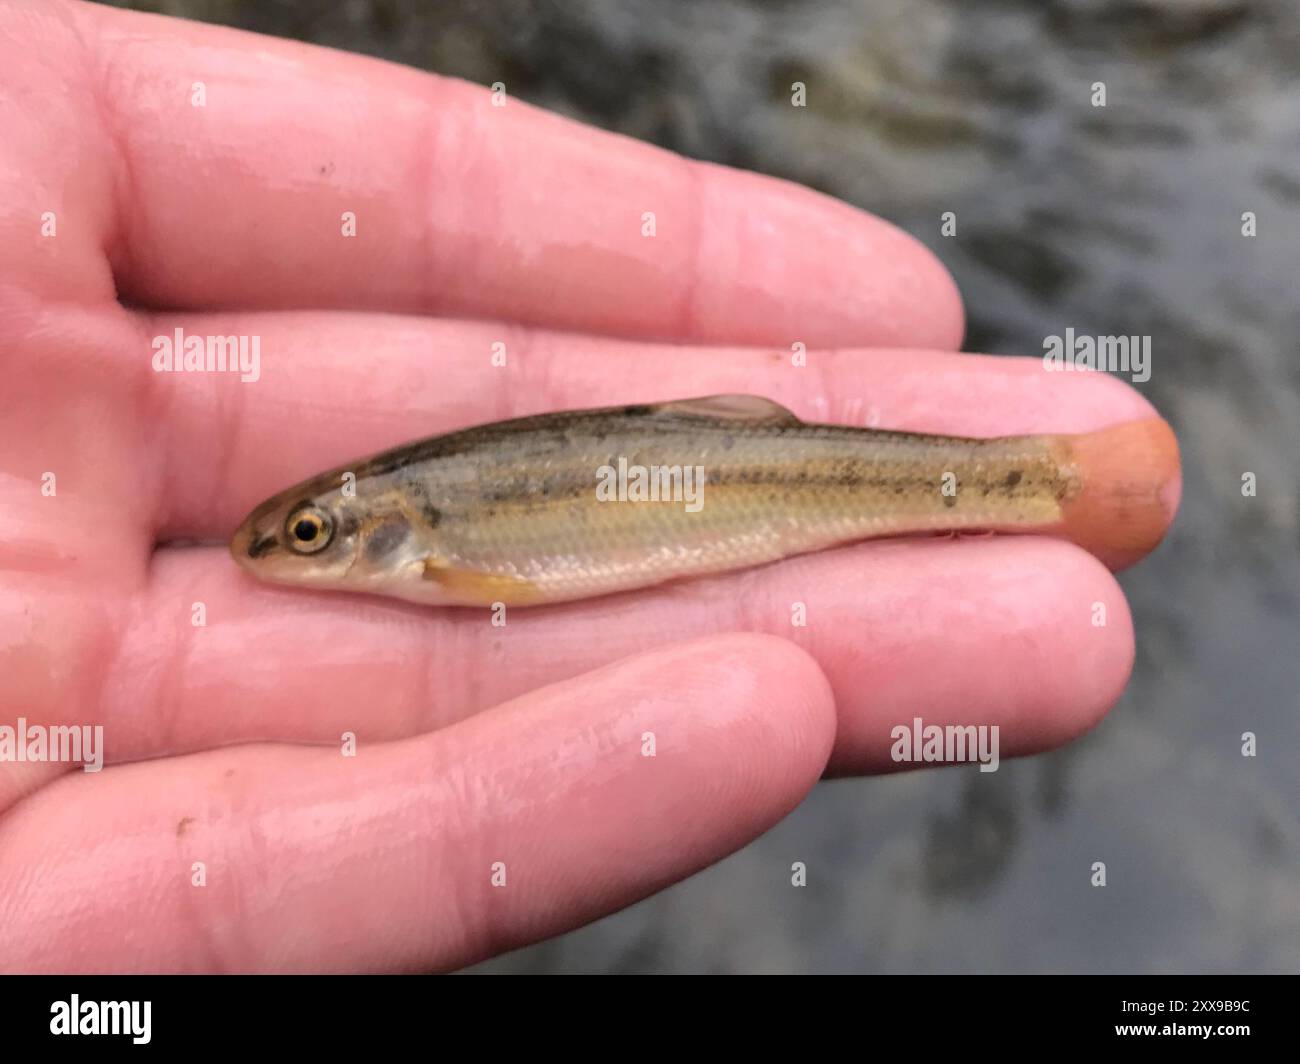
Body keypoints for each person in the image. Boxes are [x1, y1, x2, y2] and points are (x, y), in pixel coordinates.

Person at [0, 1, 1177, 972]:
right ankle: (1030, 479)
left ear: (385, 530)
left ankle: (1035, 480)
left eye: (310, 533)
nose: (294, 548)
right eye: (309, 531)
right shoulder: (415, 532)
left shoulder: (439, 549)